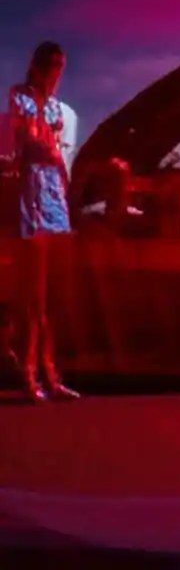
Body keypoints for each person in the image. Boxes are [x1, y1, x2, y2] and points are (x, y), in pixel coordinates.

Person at [9, 41, 79, 401]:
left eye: (60, 66)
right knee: (33, 297)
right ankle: (28, 372)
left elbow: (53, 146)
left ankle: (50, 374)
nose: (56, 73)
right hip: (33, 196)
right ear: (37, 66)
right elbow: (30, 143)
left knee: (51, 296)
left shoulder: (56, 108)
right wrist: (50, 152)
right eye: (51, 65)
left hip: (55, 198)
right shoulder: (21, 96)